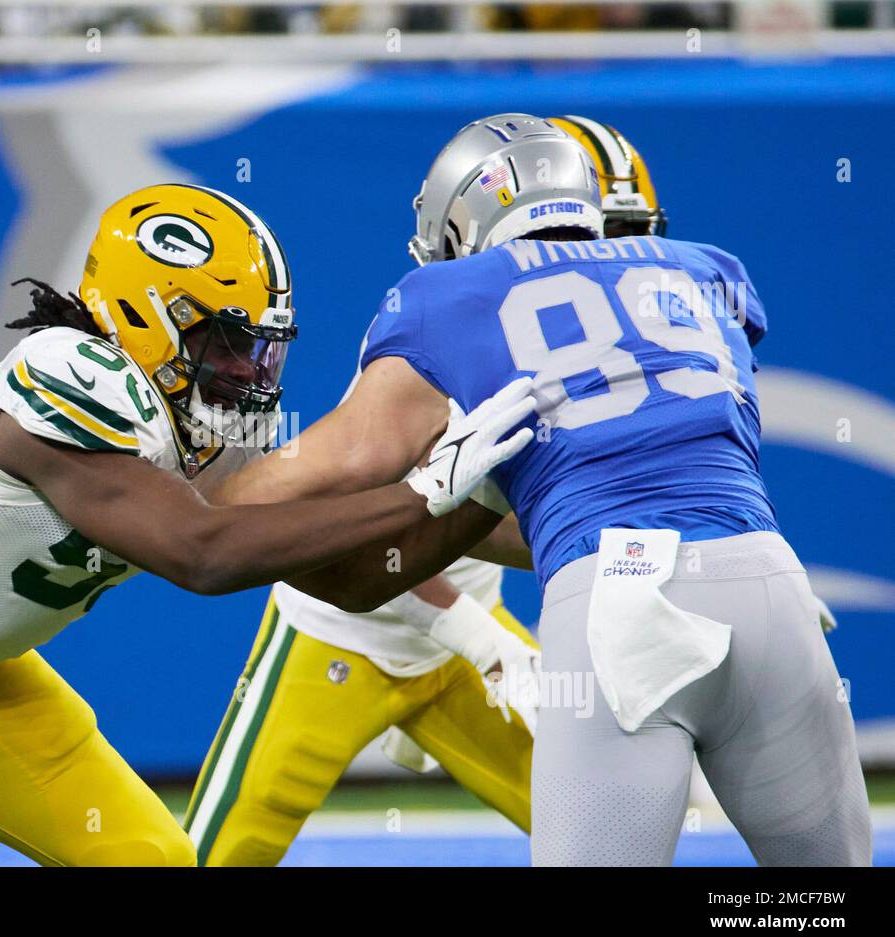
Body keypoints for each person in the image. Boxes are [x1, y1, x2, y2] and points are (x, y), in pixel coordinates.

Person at [0, 183, 531, 867]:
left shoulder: (213, 427)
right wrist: (424, 491)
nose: (248, 370)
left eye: (262, 348)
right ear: (144, 316)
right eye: (227, 343)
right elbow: (204, 557)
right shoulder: (69, 369)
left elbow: (347, 576)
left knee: (150, 861)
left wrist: (480, 501)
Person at [209, 115, 872, 866]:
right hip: (771, 579)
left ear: (463, 220)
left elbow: (313, 478)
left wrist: (204, 488)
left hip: (617, 599)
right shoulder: (706, 271)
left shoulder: (444, 298)